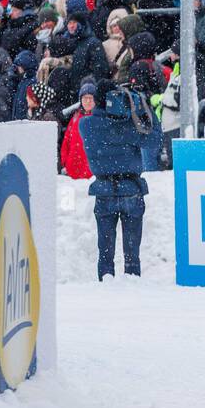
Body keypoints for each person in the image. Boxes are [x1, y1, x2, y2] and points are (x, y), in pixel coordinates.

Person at [79, 85, 152, 281]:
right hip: (131, 189)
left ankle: (105, 283)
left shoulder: (86, 125)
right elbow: (154, 139)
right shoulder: (130, 124)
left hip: (103, 191)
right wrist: (142, 105)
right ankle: (132, 282)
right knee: (132, 256)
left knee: (105, 252)